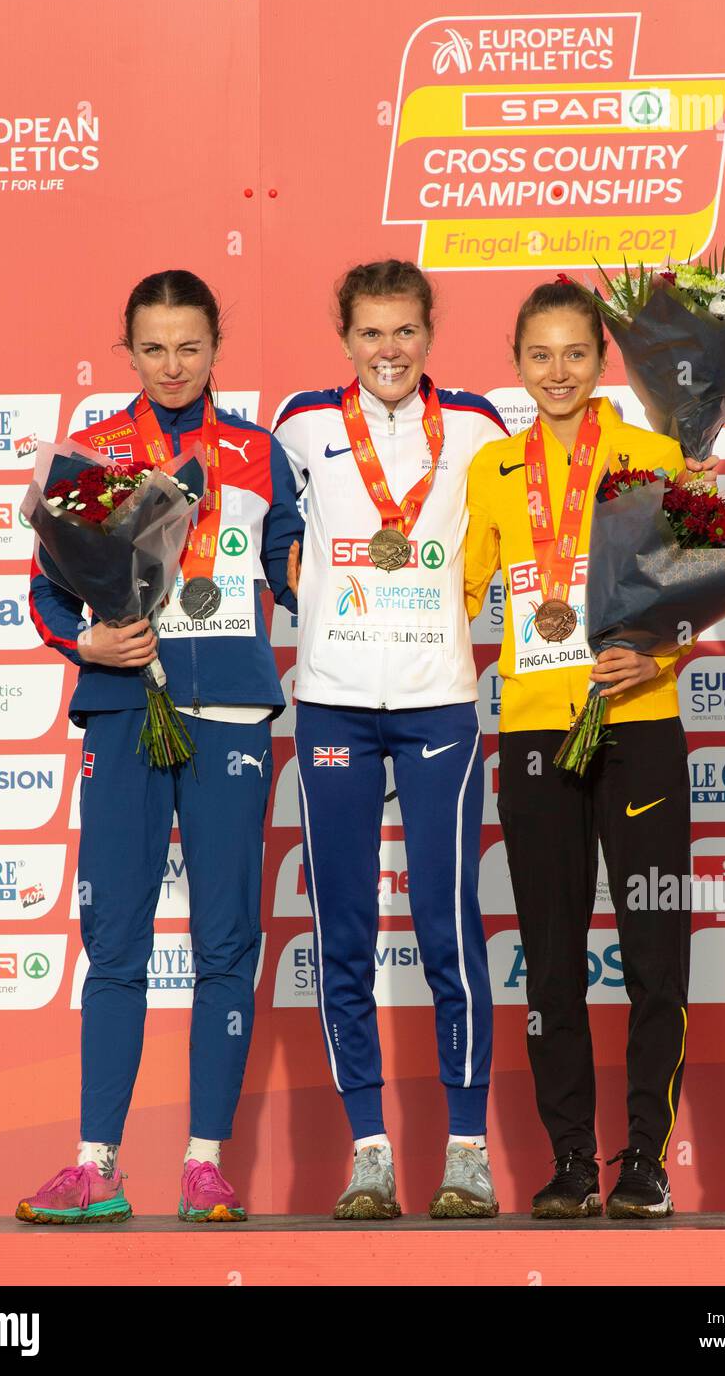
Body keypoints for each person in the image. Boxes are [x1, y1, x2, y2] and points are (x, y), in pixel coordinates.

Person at [17, 269, 303, 1225]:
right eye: (153, 348)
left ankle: (204, 1163)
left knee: (226, 942)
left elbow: (302, 574)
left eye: (190, 347)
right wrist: (86, 642)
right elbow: (47, 593)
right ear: (126, 350)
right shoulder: (91, 456)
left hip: (226, 714)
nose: (173, 366)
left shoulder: (260, 454)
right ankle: (97, 1164)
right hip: (122, 707)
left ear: (216, 345)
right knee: (117, 944)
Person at [465, 278, 709, 1221]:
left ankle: (643, 1157)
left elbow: (701, 588)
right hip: (534, 731)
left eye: (575, 352)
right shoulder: (492, 469)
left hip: (640, 722)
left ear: (604, 360)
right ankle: (571, 1158)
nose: (557, 371)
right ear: (518, 362)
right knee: (551, 955)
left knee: (654, 948)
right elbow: (456, 591)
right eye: (539, 354)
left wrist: (659, 654)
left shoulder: (655, 454)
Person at [274, 259, 510, 1219]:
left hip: (438, 702)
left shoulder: (483, 425)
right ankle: (367, 1149)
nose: (388, 351)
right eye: (370, 332)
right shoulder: (301, 424)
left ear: (429, 332)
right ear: (344, 339)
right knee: (344, 932)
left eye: (405, 330)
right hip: (331, 700)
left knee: (450, 924)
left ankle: (466, 1150)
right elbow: (253, 532)